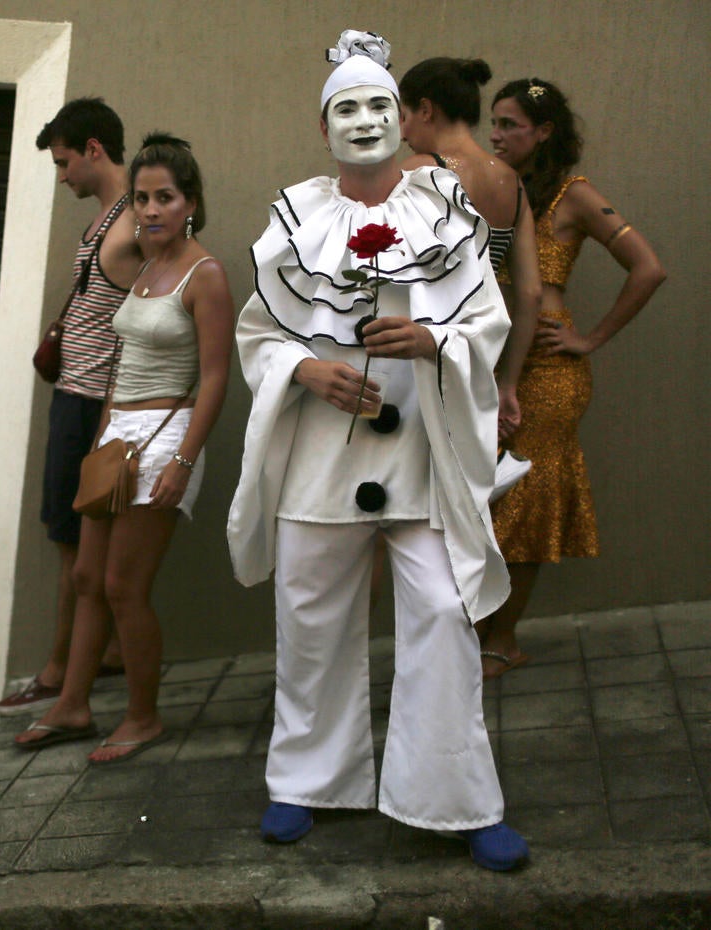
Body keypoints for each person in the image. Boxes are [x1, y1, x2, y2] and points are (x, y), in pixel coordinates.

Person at [227, 30, 528, 870]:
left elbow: (487, 321)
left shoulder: (448, 208)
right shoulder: (298, 215)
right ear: (323, 128)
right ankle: (305, 782)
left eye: (378, 106)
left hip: (420, 460)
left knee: (443, 610)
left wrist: (436, 341)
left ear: (403, 117)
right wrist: (307, 370)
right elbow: (260, 333)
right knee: (310, 615)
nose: (363, 121)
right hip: (324, 459)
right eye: (345, 109)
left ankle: (460, 798)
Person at [14, 132, 234, 764]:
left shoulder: (205, 274)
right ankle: (73, 706)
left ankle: (143, 717)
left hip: (166, 442)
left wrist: (185, 461)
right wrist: (101, 441)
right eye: (141, 198)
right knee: (86, 576)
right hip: (117, 439)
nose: (152, 209)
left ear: (191, 202)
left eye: (165, 197)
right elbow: (122, 364)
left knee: (123, 587)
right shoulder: (142, 266)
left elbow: (216, 377)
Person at [475, 78, 666, 677]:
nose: (497, 135)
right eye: (494, 123)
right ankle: (474, 633)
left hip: (550, 374)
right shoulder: (493, 188)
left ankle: (499, 639)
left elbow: (648, 268)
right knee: (480, 502)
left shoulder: (574, 196)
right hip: (490, 366)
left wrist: (591, 338)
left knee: (523, 502)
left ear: (545, 132)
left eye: (510, 124)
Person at [0, 97, 144, 717]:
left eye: (64, 163)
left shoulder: (135, 219)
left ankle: (59, 671)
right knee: (74, 540)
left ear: (94, 150)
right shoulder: (112, 216)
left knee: (74, 542)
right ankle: (96, 653)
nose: (61, 177)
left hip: (94, 404)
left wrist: (115, 408)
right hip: (77, 394)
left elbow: (152, 312)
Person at [397, 57, 540, 442]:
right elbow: (530, 293)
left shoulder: (419, 172)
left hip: (423, 353)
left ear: (426, 109)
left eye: (404, 115)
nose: (401, 131)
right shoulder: (512, 182)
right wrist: (507, 384)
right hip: (478, 356)